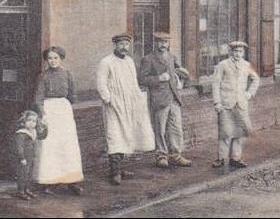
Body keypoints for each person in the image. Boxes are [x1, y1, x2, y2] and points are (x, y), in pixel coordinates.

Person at [96, 33, 155, 185]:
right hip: (114, 104)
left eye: (126, 45)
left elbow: (133, 82)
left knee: (126, 134)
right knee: (114, 135)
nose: (124, 47)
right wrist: (108, 99)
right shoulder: (106, 62)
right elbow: (101, 84)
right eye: (121, 44)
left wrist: (137, 99)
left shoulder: (129, 61)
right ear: (115, 45)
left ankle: (120, 168)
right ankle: (114, 172)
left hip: (129, 103)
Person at [33, 46, 83, 195]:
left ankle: (71, 180)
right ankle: (50, 181)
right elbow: (38, 98)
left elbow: (73, 95)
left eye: (56, 58)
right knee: (51, 146)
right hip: (49, 110)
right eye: (50, 58)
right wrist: (42, 114)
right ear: (46, 60)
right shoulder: (43, 76)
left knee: (68, 145)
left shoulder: (67, 74)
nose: (53, 61)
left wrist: (67, 105)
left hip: (64, 110)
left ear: (61, 58)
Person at [138, 32, 192, 168]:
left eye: (165, 42)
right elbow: (141, 79)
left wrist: (183, 75)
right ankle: (161, 156)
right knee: (160, 129)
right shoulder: (148, 59)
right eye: (160, 42)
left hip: (174, 98)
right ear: (155, 43)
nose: (163, 45)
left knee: (176, 128)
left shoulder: (171, 57)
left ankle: (175, 155)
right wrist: (158, 78)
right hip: (159, 99)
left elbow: (178, 71)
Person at [211, 40, 260, 169]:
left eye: (240, 51)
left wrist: (249, 94)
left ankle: (236, 158)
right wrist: (217, 102)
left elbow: (256, 79)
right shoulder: (223, 65)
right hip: (226, 103)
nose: (238, 54)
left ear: (243, 53)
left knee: (242, 131)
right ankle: (221, 158)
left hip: (241, 103)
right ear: (231, 52)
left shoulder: (247, 65)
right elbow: (215, 84)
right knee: (225, 132)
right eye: (235, 51)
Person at [12, 109, 47, 200]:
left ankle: (27, 189)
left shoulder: (34, 132)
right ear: (24, 121)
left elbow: (42, 136)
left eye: (34, 121)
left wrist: (45, 127)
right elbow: (19, 147)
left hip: (32, 157)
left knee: (29, 174)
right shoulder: (21, 133)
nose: (31, 123)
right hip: (24, 158)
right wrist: (21, 157)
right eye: (29, 120)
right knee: (22, 174)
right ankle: (21, 191)